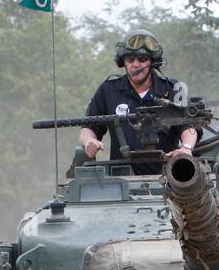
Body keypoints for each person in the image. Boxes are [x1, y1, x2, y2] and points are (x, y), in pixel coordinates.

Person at [80, 30, 198, 175]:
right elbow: (88, 128)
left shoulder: (172, 88)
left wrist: (186, 148)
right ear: (122, 62)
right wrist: (89, 142)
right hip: (121, 180)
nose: (135, 65)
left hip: (168, 176)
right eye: (130, 60)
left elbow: (188, 127)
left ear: (152, 62)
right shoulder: (108, 90)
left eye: (142, 59)